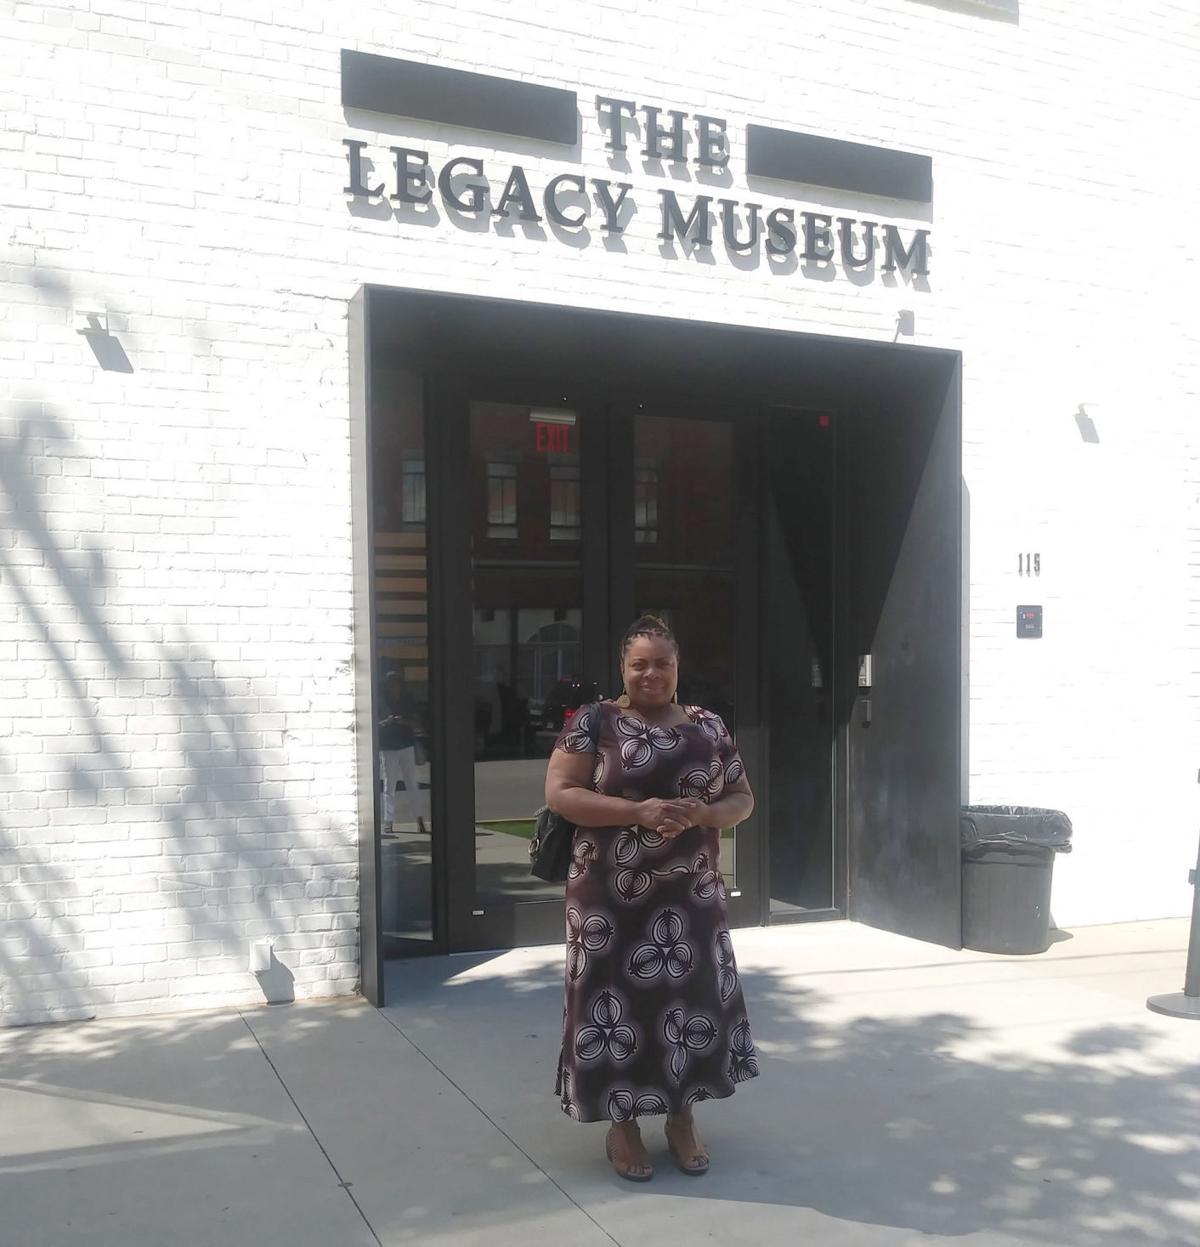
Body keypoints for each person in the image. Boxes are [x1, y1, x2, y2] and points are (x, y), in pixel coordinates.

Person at [544, 615, 760, 1181]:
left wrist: (707, 814)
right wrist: (635, 812)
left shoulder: (709, 726)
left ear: (677, 666)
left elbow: (742, 796)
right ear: (623, 666)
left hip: (690, 896)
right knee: (613, 1004)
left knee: (686, 1002)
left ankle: (681, 1118)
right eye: (640, 663)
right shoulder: (596, 722)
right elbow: (560, 793)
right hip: (608, 900)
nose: (651, 673)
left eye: (662, 662)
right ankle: (622, 1128)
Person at [378, 670, 428, 835]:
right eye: (391, 683)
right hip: (388, 746)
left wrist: (402, 721)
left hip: (405, 744)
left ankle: (419, 818)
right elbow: (375, 723)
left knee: (411, 782)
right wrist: (387, 722)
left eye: (396, 683)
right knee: (389, 785)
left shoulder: (407, 700)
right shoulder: (381, 701)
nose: (394, 687)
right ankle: (388, 821)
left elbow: (416, 722)